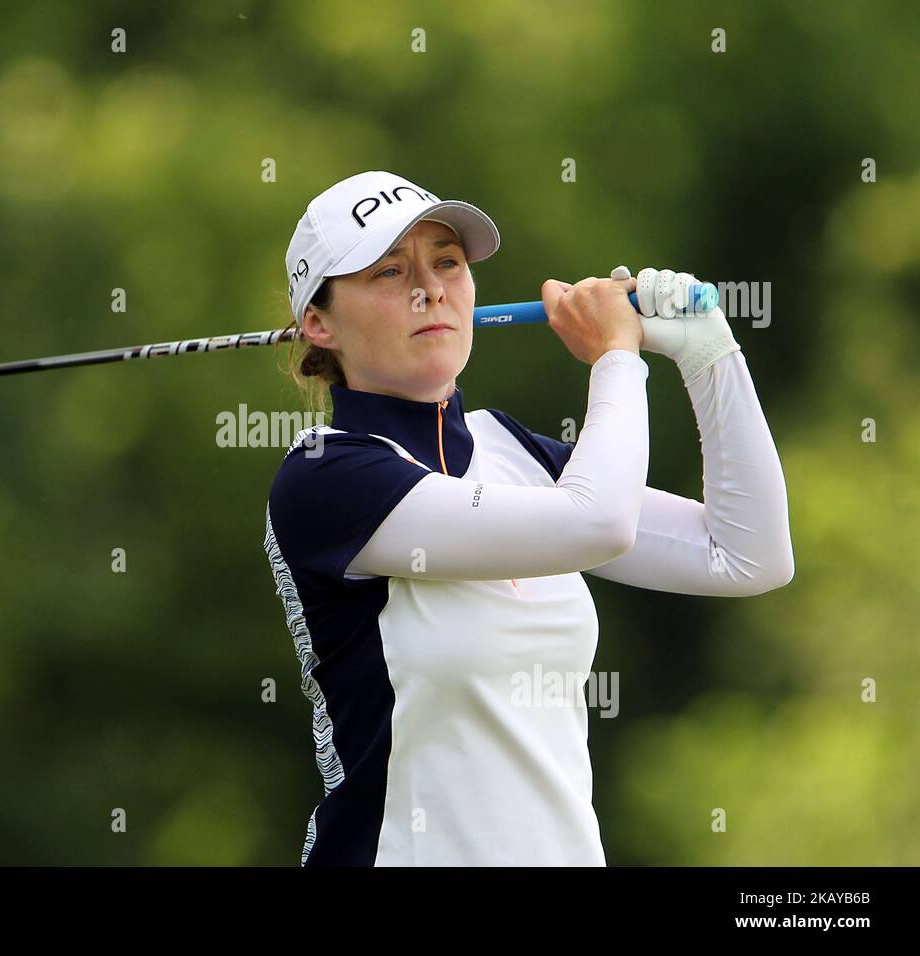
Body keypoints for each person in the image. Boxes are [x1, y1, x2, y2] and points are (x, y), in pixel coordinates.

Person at [263, 170, 795, 866]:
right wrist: (615, 357)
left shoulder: (513, 450)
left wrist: (708, 354)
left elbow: (748, 556)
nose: (431, 288)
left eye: (447, 262)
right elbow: (597, 523)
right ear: (319, 322)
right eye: (390, 272)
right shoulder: (327, 477)